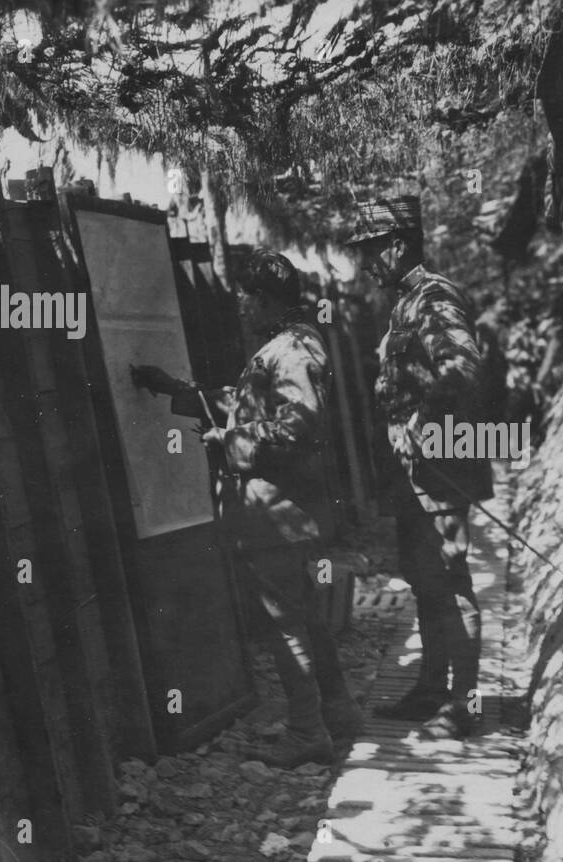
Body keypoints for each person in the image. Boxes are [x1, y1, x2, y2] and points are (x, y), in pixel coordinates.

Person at [130, 249, 360, 766]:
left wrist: (230, 440)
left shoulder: (293, 350)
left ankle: (307, 732)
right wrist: (180, 392)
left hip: (275, 513)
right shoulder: (286, 346)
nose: (240, 308)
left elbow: (300, 425)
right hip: (281, 511)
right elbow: (250, 400)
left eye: (245, 299)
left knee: (284, 621)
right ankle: (338, 713)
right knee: (304, 616)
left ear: (263, 299)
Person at [348, 195, 493, 739]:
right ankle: (433, 690)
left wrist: (426, 424)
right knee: (427, 583)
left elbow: (465, 369)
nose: (366, 263)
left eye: (371, 250)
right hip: (414, 476)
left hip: (441, 469)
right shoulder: (405, 305)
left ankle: (465, 704)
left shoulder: (433, 300)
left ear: (397, 244)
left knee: (451, 583)